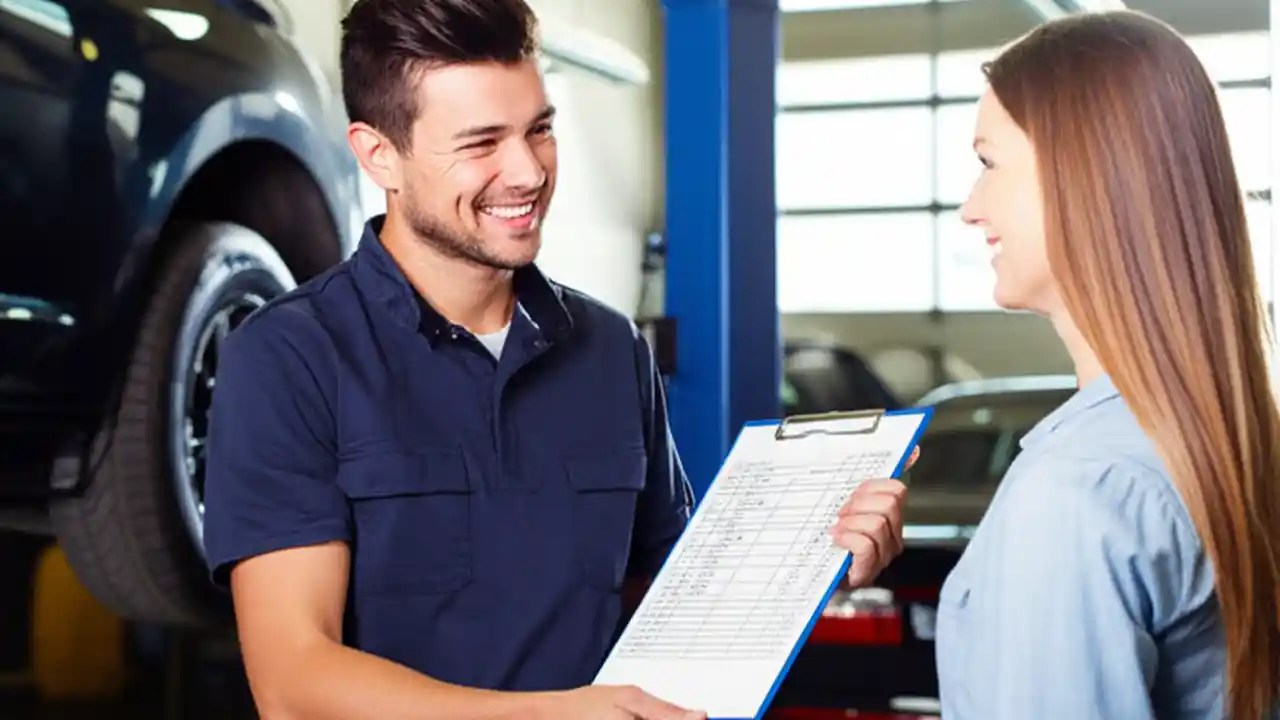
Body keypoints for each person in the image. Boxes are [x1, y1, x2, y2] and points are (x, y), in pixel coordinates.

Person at [201, 1, 913, 718]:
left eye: (538, 129)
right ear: (378, 153)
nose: (527, 171)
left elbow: (677, 610)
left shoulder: (611, 351)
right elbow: (293, 680)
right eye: (482, 143)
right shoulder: (291, 357)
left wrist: (817, 558)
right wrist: (552, 714)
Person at [940, 9, 1280, 720]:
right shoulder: (1228, 441)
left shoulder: (1076, 490)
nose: (971, 207)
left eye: (989, 163)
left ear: (1085, 175)